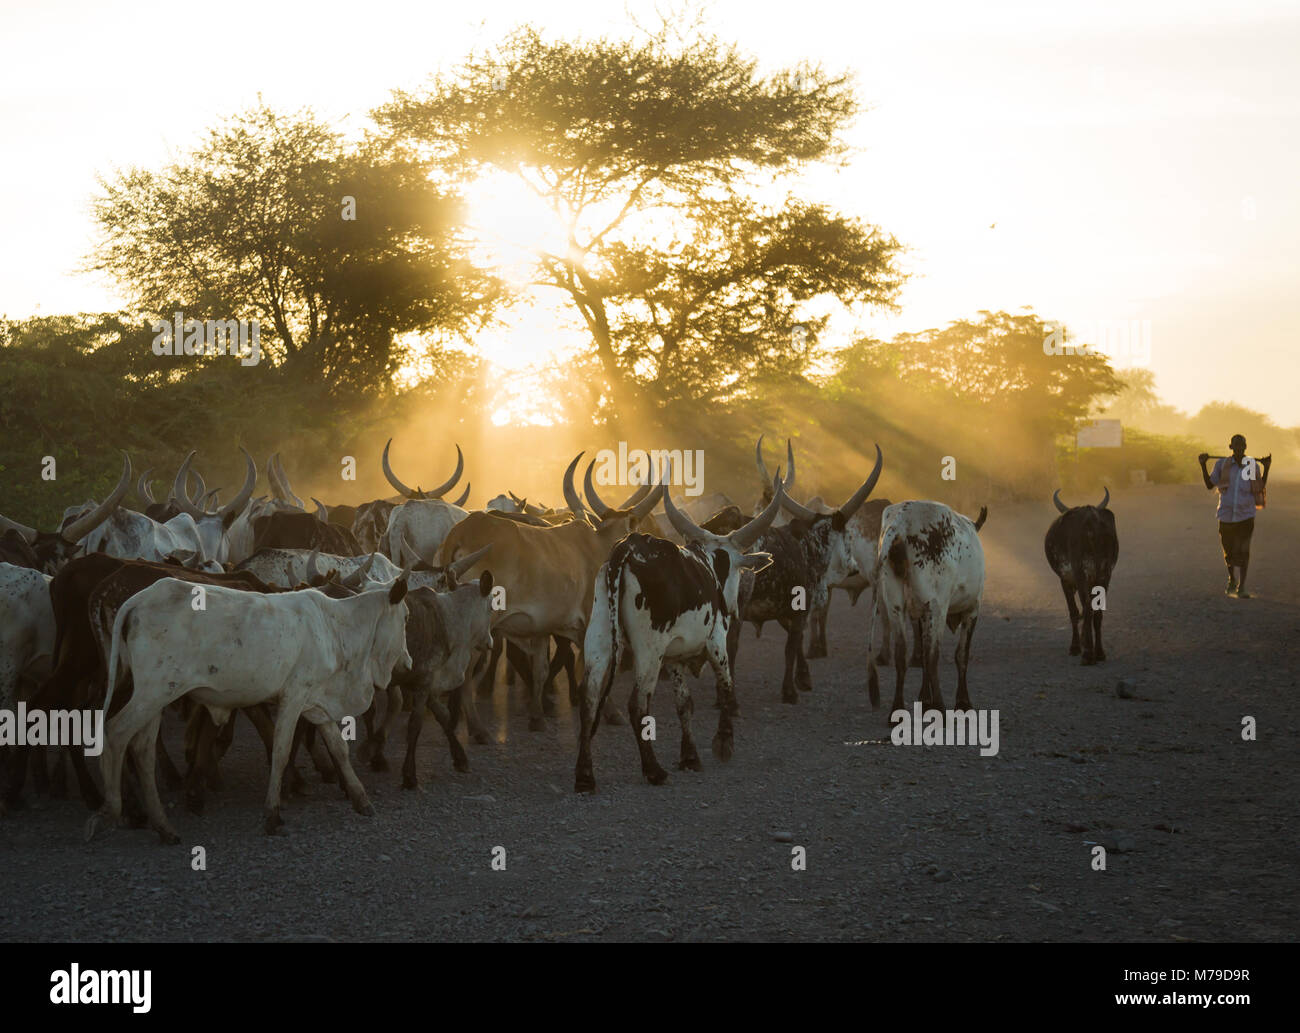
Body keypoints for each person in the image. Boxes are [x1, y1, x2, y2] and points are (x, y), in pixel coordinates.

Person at [1198, 435, 1271, 597]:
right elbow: (1210, 485)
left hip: (1246, 515)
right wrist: (1203, 465)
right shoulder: (1222, 464)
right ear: (1231, 447)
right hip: (1225, 514)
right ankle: (1232, 578)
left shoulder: (1251, 466)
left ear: (1245, 447)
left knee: (1244, 550)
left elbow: (1258, 488)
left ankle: (1242, 587)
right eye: (1236, 446)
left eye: (1242, 446)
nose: (1239, 449)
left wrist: (1266, 468)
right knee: (1229, 550)